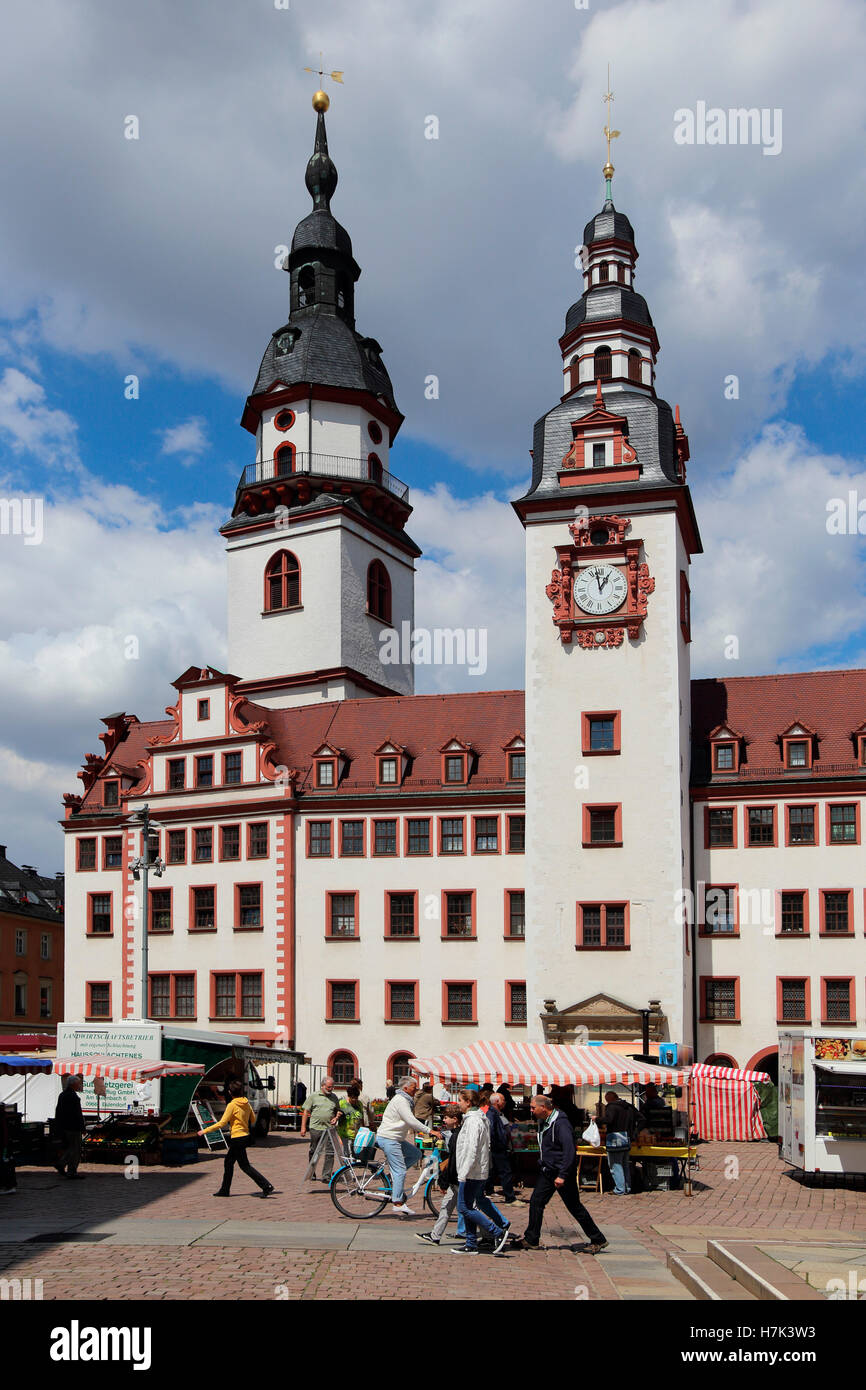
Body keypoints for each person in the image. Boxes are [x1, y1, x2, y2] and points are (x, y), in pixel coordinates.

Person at [511, 1094, 607, 1254]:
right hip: (548, 1170)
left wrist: (562, 1174)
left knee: (574, 1206)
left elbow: (569, 1151)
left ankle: (598, 1239)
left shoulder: (561, 1124)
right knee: (536, 1202)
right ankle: (531, 1238)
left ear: (544, 1108)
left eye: (534, 1107)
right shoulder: (546, 1122)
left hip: (561, 1171)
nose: (531, 1110)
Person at [452, 1089, 511, 1256]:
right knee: (469, 1205)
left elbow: (471, 1149)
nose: (459, 1104)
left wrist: (464, 1171)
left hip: (472, 1171)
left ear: (468, 1102)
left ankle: (497, 1232)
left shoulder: (473, 1122)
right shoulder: (476, 1119)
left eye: (461, 1101)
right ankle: (471, 1243)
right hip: (476, 1170)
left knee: (464, 1207)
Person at [198, 1079, 275, 1197]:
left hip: (237, 1138)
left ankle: (266, 1185)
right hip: (245, 1137)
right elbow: (253, 1119)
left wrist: (205, 1131)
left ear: (229, 1092)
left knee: (244, 1166)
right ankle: (225, 1189)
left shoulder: (232, 1105)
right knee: (229, 1162)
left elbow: (222, 1123)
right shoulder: (247, 1103)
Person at [376, 1074, 439, 1216]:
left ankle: (393, 1177)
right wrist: (430, 1131)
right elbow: (410, 1120)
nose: (415, 1089)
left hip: (395, 1138)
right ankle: (397, 1202)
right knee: (400, 1170)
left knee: (415, 1154)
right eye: (413, 1087)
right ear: (405, 1088)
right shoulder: (400, 1100)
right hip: (389, 1138)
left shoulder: (405, 1099)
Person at [415, 1105, 466, 1246]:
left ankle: (493, 1232)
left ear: (455, 1119)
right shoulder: (452, 1133)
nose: (443, 1120)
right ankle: (435, 1236)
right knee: (446, 1206)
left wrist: (444, 1179)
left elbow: (452, 1161)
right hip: (454, 1177)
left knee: (472, 1207)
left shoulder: (455, 1135)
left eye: (446, 1117)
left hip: (458, 1177)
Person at [485, 1091, 525, 1207]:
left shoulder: (496, 1113)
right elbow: (491, 1131)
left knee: (494, 1171)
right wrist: (498, 1141)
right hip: (497, 1147)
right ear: (497, 1102)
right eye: (503, 1100)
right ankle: (510, 1198)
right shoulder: (492, 1114)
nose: (505, 1102)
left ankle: (488, 1190)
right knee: (505, 1172)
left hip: (498, 1146)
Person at [300, 1075, 341, 1181]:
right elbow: (306, 1111)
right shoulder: (314, 1096)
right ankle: (311, 1172)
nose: (331, 1089)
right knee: (314, 1151)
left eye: (332, 1087)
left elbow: (338, 1111)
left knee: (330, 1152)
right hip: (316, 1128)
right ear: (322, 1086)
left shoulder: (334, 1097)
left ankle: (326, 1175)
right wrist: (303, 1127)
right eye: (328, 1087)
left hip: (329, 1129)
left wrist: (336, 1118)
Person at [600, 1090, 640, 1196]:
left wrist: (597, 1119)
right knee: (625, 1164)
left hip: (615, 1139)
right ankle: (627, 1187)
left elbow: (609, 1120)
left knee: (615, 1164)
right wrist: (634, 1132)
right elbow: (641, 1118)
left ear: (610, 1099)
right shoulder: (628, 1106)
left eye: (607, 1100)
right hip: (626, 1138)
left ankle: (620, 1188)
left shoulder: (611, 1107)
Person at [55, 1074, 86, 1179]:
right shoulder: (72, 1096)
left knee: (71, 1148)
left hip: (65, 1126)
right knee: (75, 1150)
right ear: (73, 1084)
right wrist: (82, 1127)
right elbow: (77, 1113)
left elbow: (58, 1111)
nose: (79, 1085)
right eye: (78, 1083)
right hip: (74, 1127)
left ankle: (62, 1164)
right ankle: (70, 1170)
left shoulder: (62, 1095)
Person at [337, 1085, 365, 1152]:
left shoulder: (359, 1104)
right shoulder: (342, 1104)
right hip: (345, 1135)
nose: (354, 1099)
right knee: (346, 1156)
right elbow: (335, 1119)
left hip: (356, 1136)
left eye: (356, 1097)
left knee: (356, 1157)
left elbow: (362, 1119)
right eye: (352, 1097)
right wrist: (339, 1138)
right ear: (348, 1096)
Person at [0, 1102, 17, 1195]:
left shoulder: (2, 1118)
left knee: (5, 1165)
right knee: (6, 1164)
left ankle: (8, 1185)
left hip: (4, 1146)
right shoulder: (4, 1117)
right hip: (5, 1145)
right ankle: (9, 1185)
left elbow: (5, 1135)